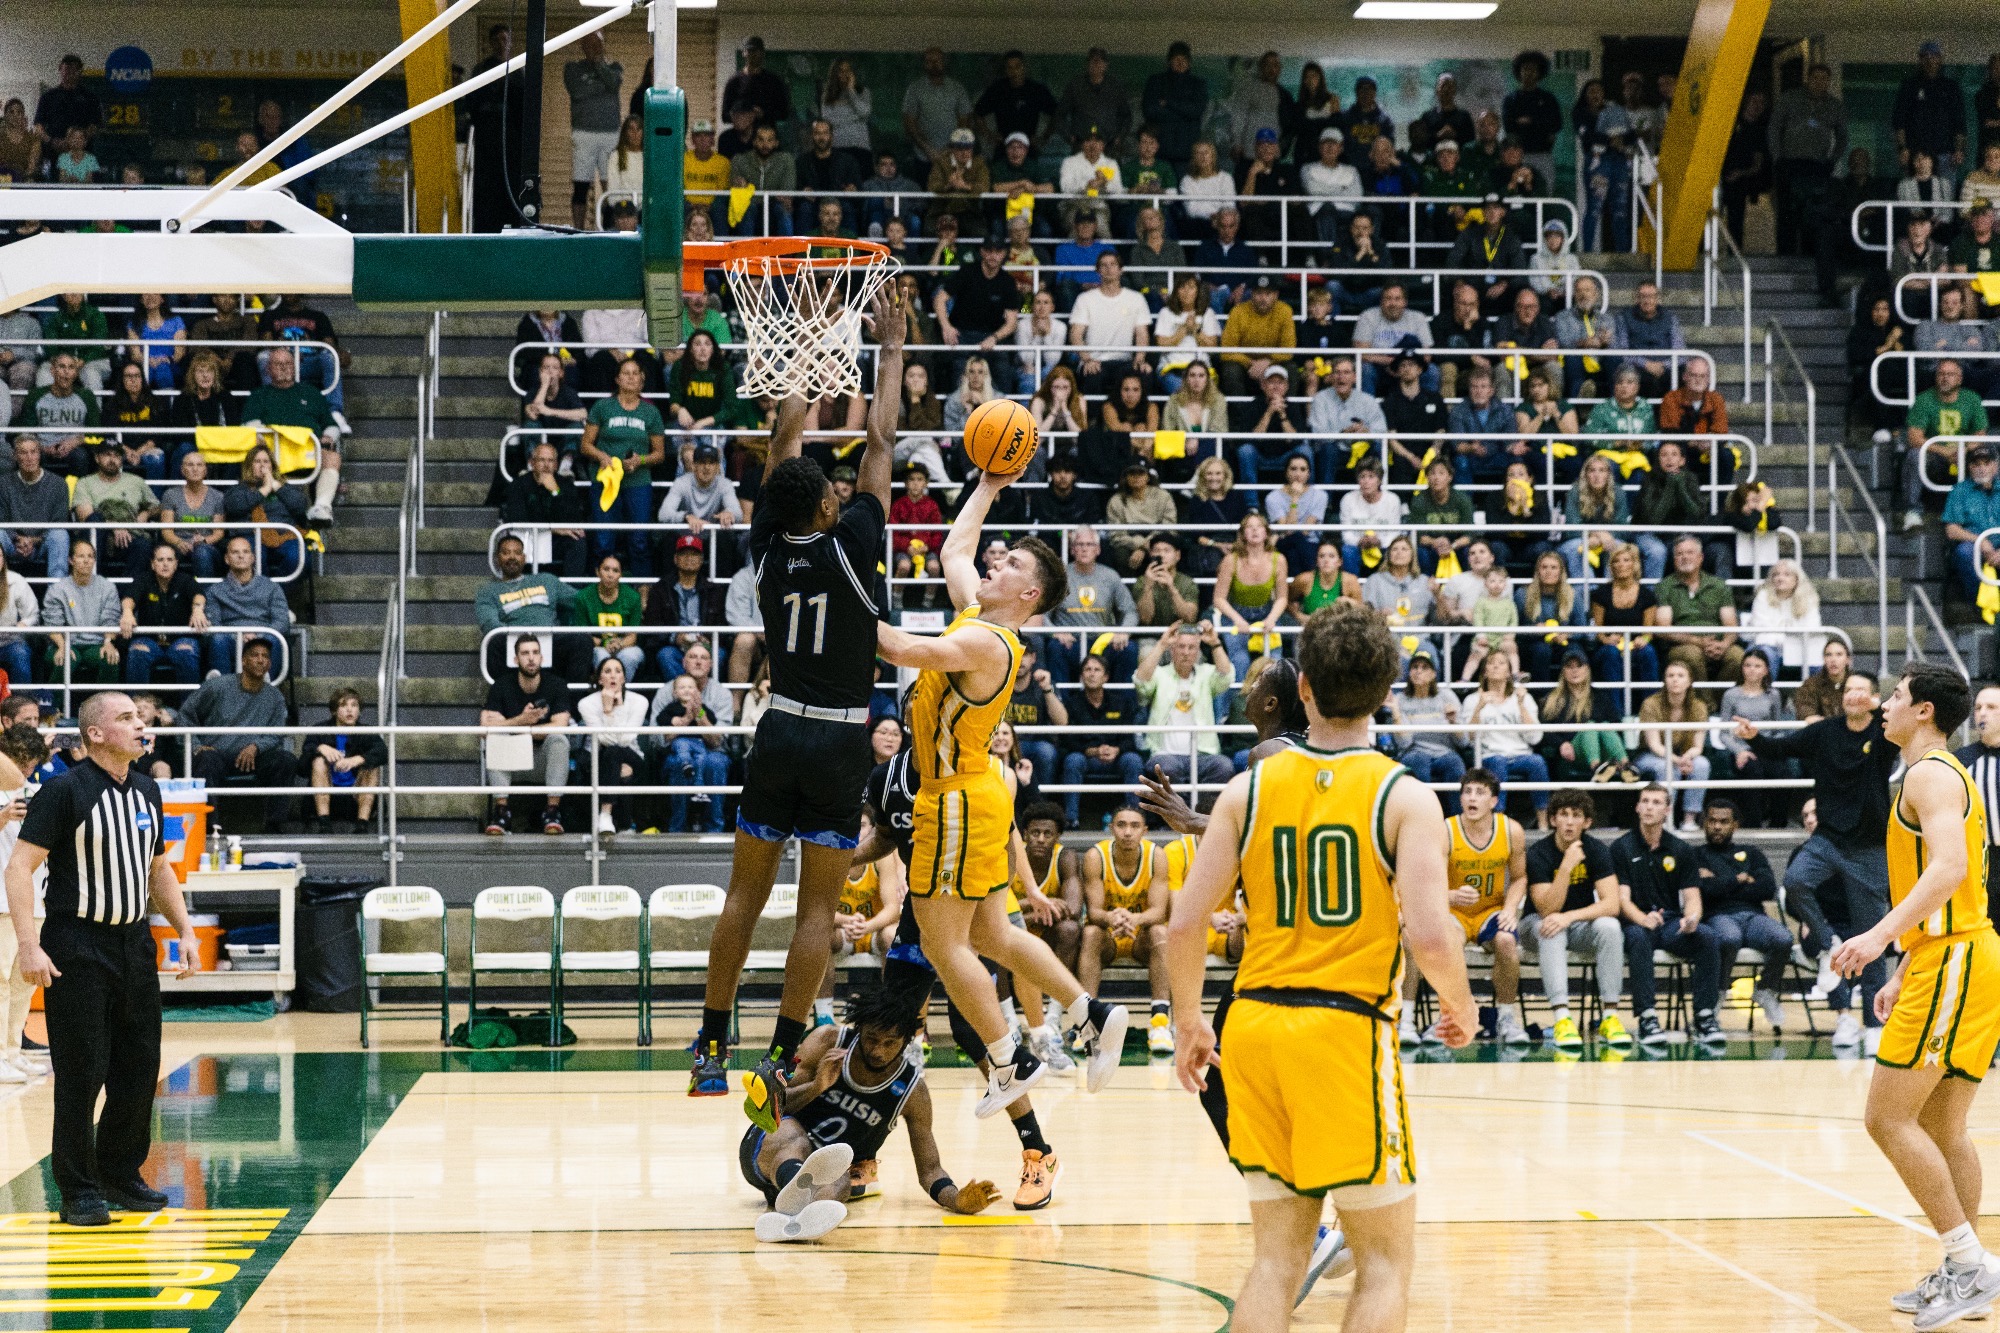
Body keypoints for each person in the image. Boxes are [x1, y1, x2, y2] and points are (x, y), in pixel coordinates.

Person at [1167, 599, 1473, 1333]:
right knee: (1385, 1265)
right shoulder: (1407, 795)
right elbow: (1432, 938)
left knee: (1275, 1262)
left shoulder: (1247, 789)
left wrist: (1187, 1021)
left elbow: (1182, 923)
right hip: (1343, 1034)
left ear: (1302, 688)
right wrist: (1461, 1005)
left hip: (1254, 1029)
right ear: (1388, 690)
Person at [690, 292, 904, 1120]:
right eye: (832, 490)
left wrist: (806, 356)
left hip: (777, 729)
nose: (842, 490)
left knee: (743, 895)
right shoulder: (856, 539)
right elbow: (880, 437)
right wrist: (887, 348)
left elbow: (786, 443)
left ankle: (711, 1043)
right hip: (843, 738)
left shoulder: (767, 545)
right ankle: (782, 1050)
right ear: (826, 506)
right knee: (816, 905)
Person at [872, 464, 1131, 1117]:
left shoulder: (985, 641)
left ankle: (1008, 1055)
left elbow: (900, 646)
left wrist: (840, 588)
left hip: (955, 798)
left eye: (1010, 561)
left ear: (1029, 592)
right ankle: (1089, 1012)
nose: (995, 561)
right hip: (976, 794)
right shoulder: (979, 616)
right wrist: (989, 482)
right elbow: (954, 550)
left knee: (941, 942)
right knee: (991, 932)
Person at [1830, 664, 2000, 1329]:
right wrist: (1905, 964)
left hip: (1956, 957)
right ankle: (1970, 1268)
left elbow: (1951, 867)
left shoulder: (1929, 773)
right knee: (1940, 1125)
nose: (1883, 706)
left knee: (1886, 1118)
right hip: (1956, 952)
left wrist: (1876, 938)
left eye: (1894, 697)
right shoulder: (1942, 772)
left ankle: (1968, 1262)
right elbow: (1952, 886)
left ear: (1923, 710)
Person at [6, 691, 197, 1227]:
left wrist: (182, 928)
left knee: (138, 1068)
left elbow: (158, 868)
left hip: (134, 943)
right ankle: (79, 1189)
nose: (142, 724)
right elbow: (19, 869)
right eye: (127, 718)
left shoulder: (147, 790)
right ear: (95, 734)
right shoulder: (63, 791)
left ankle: (120, 1172)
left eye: (141, 716)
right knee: (81, 1071)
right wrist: (29, 942)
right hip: (77, 945)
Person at [740, 987, 1000, 1246]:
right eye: (872, 1039)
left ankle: (797, 1222)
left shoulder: (912, 1091)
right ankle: (796, 1191)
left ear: (907, 1041)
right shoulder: (828, 1041)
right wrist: (816, 1086)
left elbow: (930, 1169)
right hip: (767, 1149)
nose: (878, 1051)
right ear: (859, 1029)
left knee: (840, 1181)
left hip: (825, 1172)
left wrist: (957, 1200)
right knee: (791, 1136)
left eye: (890, 1044)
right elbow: (771, 1109)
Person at [1739, 670, 1896, 1050]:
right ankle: (1827, 945)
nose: (1854, 695)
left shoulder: (1885, 732)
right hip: (1828, 838)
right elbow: (1782, 748)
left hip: (1870, 846)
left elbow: (1903, 722)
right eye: (1850, 689)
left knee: (1871, 935)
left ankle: (1874, 1024)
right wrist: (1754, 737)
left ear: (1874, 697)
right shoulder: (1825, 731)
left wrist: (1879, 708)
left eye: (1863, 689)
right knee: (1794, 881)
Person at [1401, 768, 1531, 1047]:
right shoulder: (1444, 830)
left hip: (1489, 911)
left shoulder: (1511, 831)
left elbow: (1520, 878)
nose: (1471, 798)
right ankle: (1433, 1019)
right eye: (1467, 792)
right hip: (1453, 911)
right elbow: (1421, 881)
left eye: (1480, 792)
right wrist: (1449, 895)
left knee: (1507, 940)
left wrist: (1510, 909)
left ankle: (1506, 1018)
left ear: (1493, 801)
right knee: (1440, 943)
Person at [1613, 783, 1723, 1046]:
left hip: (1670, 923)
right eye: (1645, 801)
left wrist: (1692, 918)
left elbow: (1692, 896)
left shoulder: (1681, 849)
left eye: (1656, 802)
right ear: (1638, 807)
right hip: (1634, 922)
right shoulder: (1621, 848)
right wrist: (1642, 918)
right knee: (1639, 939)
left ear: (1667, 810)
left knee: (1707, 936)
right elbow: (1621, 898)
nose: (1649, 807)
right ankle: (1647, 1017)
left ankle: (1705, 1015)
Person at [1520, 787, 1629, 1050]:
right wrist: (1567, 866)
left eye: (1576, 815)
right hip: (1534, 924)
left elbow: (1612, 904)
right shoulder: (1538, 853)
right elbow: (1546, 909)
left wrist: (1570, 916)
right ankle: (1562, 1018)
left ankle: (1610, 1017)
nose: (1569, 821)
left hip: (1575, 924)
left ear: (1587, 822)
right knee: (1551, 928)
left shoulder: (1597, 850)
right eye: (1563, 814)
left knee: (1610, 926)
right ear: (1554, 819)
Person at [1078, 806, 1172, 1053]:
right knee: (1089, 933)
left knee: (1160, 932)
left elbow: (1159, 911)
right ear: (1111, 828)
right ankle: (1087, 1023)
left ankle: (1160, 1022)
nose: (1127, 832)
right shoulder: (1095, 856)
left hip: (1140, 936)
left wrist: (1133, 918)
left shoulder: (1157, 856)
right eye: (1121, 825)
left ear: (1145, 830)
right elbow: (1094, 911)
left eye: (1134, 826)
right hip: (1108, 937)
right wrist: (1112, 917)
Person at [179, 640, 296, 834]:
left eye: (265, 656)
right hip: (218, 754)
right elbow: (185, 715)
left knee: (286, 760)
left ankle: (275, 825)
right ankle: (210, 827)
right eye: (254, 655)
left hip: (255, 757)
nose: (260, 660)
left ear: (270, 664)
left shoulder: (275, 697)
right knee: (206, 759)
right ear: (243, 661)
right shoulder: (217, 686)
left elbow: (277, 732)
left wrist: (256, 746)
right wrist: (196, 746)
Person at [478, 634, 570, 836]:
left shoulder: (556, 685)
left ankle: (552, 812)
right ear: (515, 659)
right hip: (511, 760)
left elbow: (560, 726)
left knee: (559, 741)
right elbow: (485, 728)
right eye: (525, 653)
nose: (531, 658)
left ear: (542, 658)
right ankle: (501, 812)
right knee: (495, 737)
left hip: (543, 762)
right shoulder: (501, 686)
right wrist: (522, 719)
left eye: (535, 653)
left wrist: (514, 726)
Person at [1133, 621, 1237, 800]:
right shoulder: (1160, 674)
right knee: (1167, 768)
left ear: (1198, 651)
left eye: (1191, 647)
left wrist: (1215, 643)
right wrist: (1161, 644)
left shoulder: (1206, 673)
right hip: (1164, 752)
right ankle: (1181, 820)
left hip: (1203, 753)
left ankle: (1203, 818)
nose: (1186, 652)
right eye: (1181, 646)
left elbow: (1226, 677)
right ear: (1172, 649)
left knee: (1224, 766)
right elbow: (1140, 682)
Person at [240, 347, 342, 524]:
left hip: (308, 452)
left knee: (332, 457)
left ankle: (321, 507)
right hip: (274, 453)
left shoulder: (311, 393)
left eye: (288, 363)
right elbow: (248, 424)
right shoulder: (259, 396)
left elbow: (331, 425)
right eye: (278, 364)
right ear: (268, 369)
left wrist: (328, 437)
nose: (284, 367)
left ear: (295, 367)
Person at [1907, 360, 1993, 532]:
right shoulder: (1924, 400)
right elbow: (1914, 437)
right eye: (1941, 374)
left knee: (1991, 454)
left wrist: (1963, 450)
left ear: (1960, 379)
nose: (1945, 378)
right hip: (1936, 455)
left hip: (1966, 454)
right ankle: (1913, 512)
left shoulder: (1971, 399)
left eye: (1950, 374)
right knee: (1914, 455)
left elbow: (1980, 434)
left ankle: (1990, 509)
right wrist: (1945, 451)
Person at [1634, 661, 1711, 830]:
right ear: (1665, 680)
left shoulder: (1699, 707)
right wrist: (1677, 760)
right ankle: (1664, 821)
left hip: (1684, 753)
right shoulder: (1651, 704)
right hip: (1651, 755)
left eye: (1680, 676)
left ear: (1689, 681)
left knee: (1702, 764)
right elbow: (1654, 745)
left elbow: (1698, 746)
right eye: (1670, 675)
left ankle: (1689, 819)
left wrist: (1688, 757)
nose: (1675, 680)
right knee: (1666, 767)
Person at [206, 535, 292, 681]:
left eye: (245, 552)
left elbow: (282, 622)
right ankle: (222, 686)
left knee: (274, 638)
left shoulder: (272, 587)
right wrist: (239, 636)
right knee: (217, 639)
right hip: (230, 640)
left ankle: (266, 683)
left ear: (252, 558)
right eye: (235, 552)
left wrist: (258, 636)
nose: (241, 556)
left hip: (263, 638)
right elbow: (213, 624)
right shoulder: (215, 590)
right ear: (226, 559)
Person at [118, 545, 204, 687]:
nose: (165, 564)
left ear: (176, 564)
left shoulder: (185, 579)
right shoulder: (143, 579)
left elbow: (198, 595)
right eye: (160, 560)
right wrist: (127, 612)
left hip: (179, 639)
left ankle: (190, 707)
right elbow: (129, 597)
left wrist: (198, 610)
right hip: (149, 640)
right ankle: (137, 706)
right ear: (153, 564)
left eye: (170, 560)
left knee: (187, 652)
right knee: (137, 652)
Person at [42, 539, 121, 690]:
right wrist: (62, 645)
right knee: (66, 659)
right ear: (70, 560)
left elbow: (111, 619)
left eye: (90, 556)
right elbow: (52, 625)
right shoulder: (58, 589)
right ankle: (52, 710)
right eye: (81, 556)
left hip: (96, 644)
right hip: (64, 642)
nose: (86, 561)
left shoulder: (107, 587)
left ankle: (104, 709)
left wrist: (108, 642)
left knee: (111, 658)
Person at [304, 686, 384, 834]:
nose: (349, 710)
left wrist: (358, 759)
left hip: (355, 797)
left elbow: (383, 752)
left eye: (354, 705)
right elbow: (301, 768)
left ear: (359, 711)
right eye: (343, 705)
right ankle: (324, 825)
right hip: (328, 797)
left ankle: (362, 825)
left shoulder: (366, 732)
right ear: (334, 711)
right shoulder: (320, 729)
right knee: (318, 761)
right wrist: (320, 748)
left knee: (371, 765)